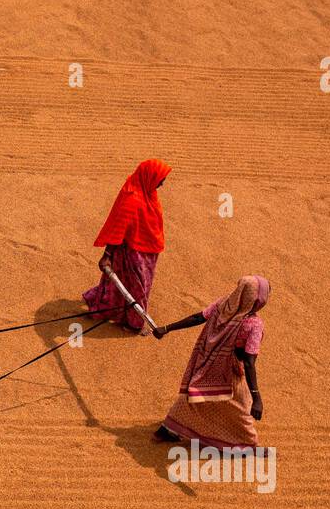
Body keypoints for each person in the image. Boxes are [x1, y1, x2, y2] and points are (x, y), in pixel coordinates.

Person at [152, 275, 270, 449]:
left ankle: (168, 428)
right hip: (230, 372)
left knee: (197, 394)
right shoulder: (254, 324)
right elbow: (249, 362)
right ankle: (247, 445)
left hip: (207, 362)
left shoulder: (225, 304)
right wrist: (257, 397)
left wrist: (167, 328)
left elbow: (198, 317)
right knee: (241, 406)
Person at [83, 159, 171, 332]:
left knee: (140, 284)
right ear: (150, 176)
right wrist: (107, 255)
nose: (162, 183)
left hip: (149, 249)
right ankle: (134, 323)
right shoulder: (133, 198)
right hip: (134, 252)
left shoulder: (148, 191)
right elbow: (118, 227)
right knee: (138, 286)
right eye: (160, 178)